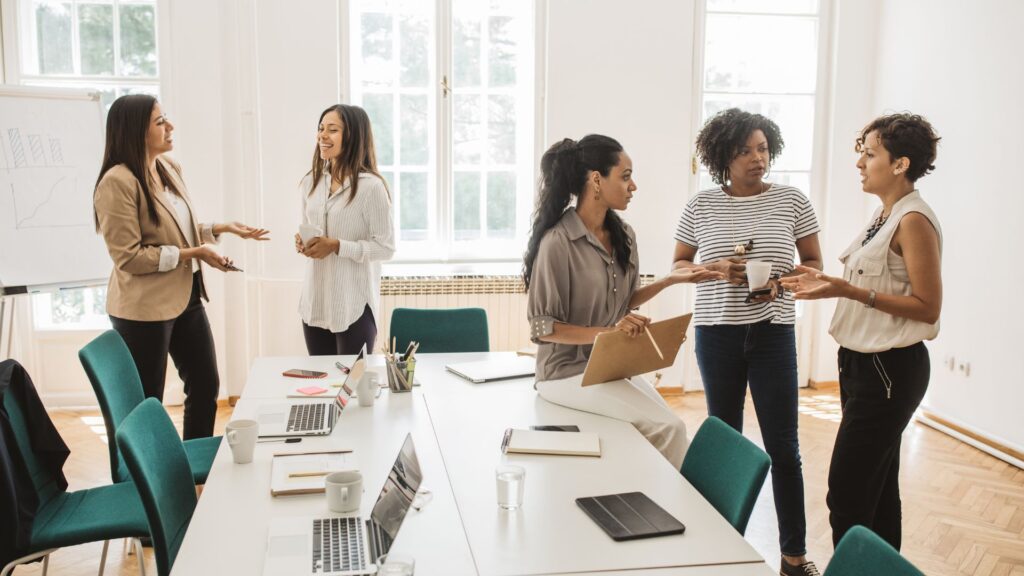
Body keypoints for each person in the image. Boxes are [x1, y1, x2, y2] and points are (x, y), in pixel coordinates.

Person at [672, 108, 822, 576]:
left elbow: (813, 267)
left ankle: (794, 557)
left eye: (762, 148)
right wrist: (717, 269)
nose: (757, 158)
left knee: (785, 446)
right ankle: (720, 548)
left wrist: (779, 283)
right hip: (716, 334)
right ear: (722, 157)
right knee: (727, 441)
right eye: (744, 151)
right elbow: (678, 267)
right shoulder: (701, 206)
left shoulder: (793, 201)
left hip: (774, 334)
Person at [782, 113, 942, 551]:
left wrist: (849, 290)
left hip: (889, 370)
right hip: (860, 365)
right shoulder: (884, 214)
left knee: (848, 493)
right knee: (878, 490)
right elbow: (874, 284)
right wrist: (829, 287)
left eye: (870, 154)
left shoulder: (913, 221)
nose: (859, 163)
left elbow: (928, 307)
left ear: (900, 164)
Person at [524, 135, 722, 469]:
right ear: (597, 180)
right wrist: (607, 332)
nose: (634, 187)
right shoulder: (558, 242)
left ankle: (669, 503)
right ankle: (683, 509)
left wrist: (669, 280)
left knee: (674, 429)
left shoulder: (624, 235)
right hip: (563, 374)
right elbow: (544, 328)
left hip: (609, 365)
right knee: (668, 428)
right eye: (626, 176)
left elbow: (622, 303)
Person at [94, 94, 269, 440]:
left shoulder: (168, 168)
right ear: (134, 132)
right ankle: (147, 481)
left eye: (166, 118)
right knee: (147, 402)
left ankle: (193, 464)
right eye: (159, 122)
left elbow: (175, 230)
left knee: (206, 384)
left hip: (185, 296)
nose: (170, 126)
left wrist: (220, 229)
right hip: (142, 310)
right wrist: (196, 253)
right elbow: (129, 257)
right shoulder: (117, 182)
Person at [294, 104, 394, 355]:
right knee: (321, 387)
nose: (322, 136)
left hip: (354, 306)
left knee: (352, 388)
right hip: (315, 304)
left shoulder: (371, 187)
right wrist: (302, 241)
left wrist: (337, 246)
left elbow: (386, 247)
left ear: (353, 136)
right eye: (320, 129)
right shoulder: (311, 182)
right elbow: (308, 227)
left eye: (332, 130)